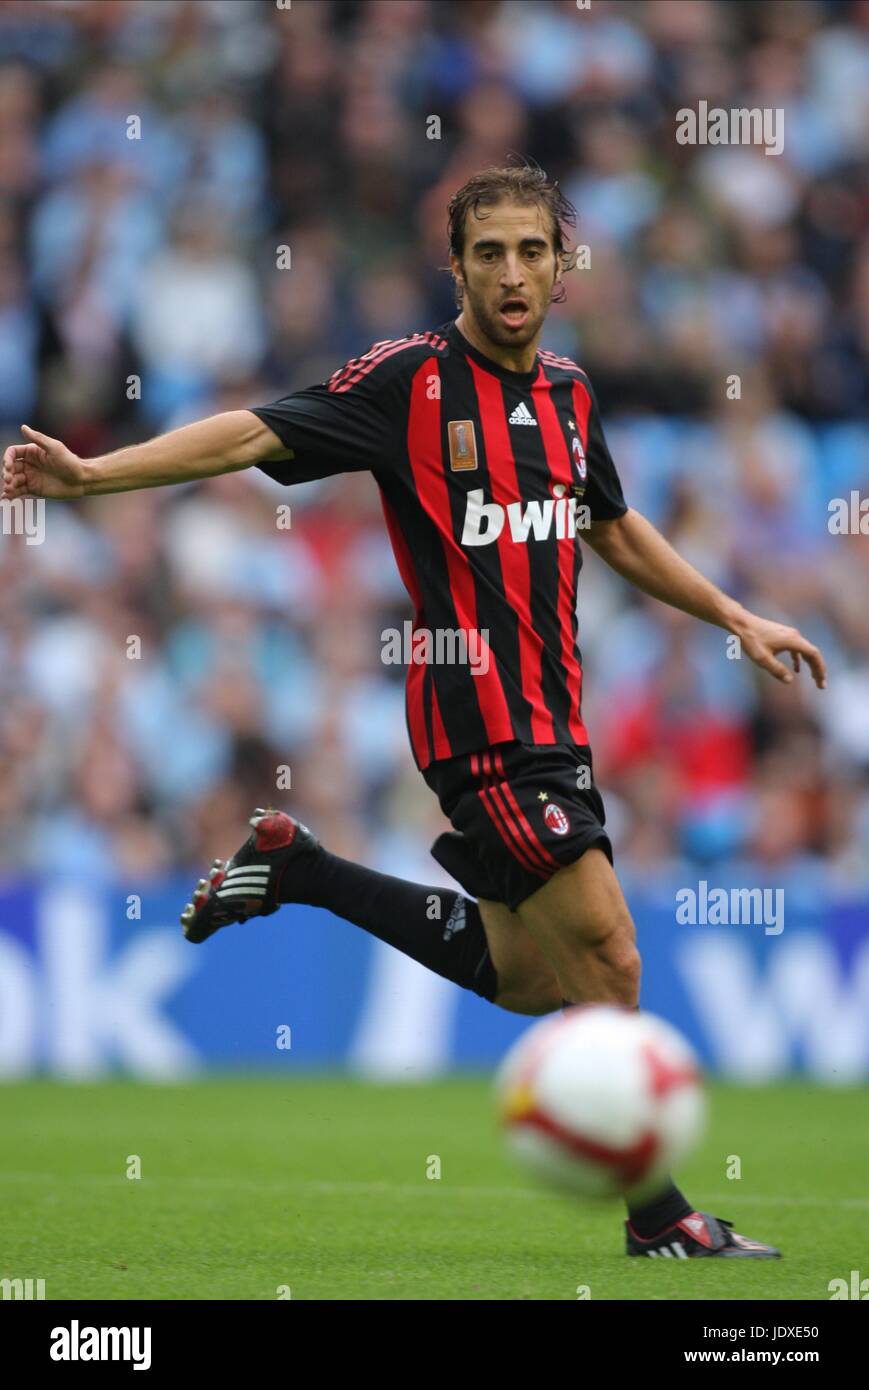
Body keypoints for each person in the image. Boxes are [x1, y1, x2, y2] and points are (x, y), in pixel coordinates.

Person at [3, 164, 825, 1259]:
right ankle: (659, 1213)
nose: (511, 272)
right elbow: (247, 435)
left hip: (554, 719)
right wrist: (94, 477)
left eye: (532, 249)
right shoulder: (405, 383)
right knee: (611, 958)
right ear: (456, 268)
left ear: (562, 266)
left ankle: (299, 869)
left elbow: (611, 528)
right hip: (476, 718)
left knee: (531, 977)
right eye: (487, 253)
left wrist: (735, 614)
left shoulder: (571, 397)